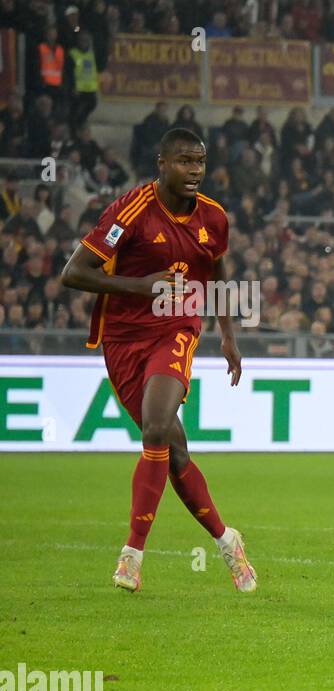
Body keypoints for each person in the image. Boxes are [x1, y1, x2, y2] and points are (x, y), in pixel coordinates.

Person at [60, 127, 257, 593]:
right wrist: (140, 285)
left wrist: (228, 335)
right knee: (174, 451)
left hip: (177, 325)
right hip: (123, 339)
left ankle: (132, 554)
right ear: (162, 164)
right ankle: (227, 540)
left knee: (154, 428)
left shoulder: (214, 217)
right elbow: (74, 274)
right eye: (185, 161)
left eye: (200, 162)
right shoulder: (129, 211)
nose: (195, 171)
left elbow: (218, 270)